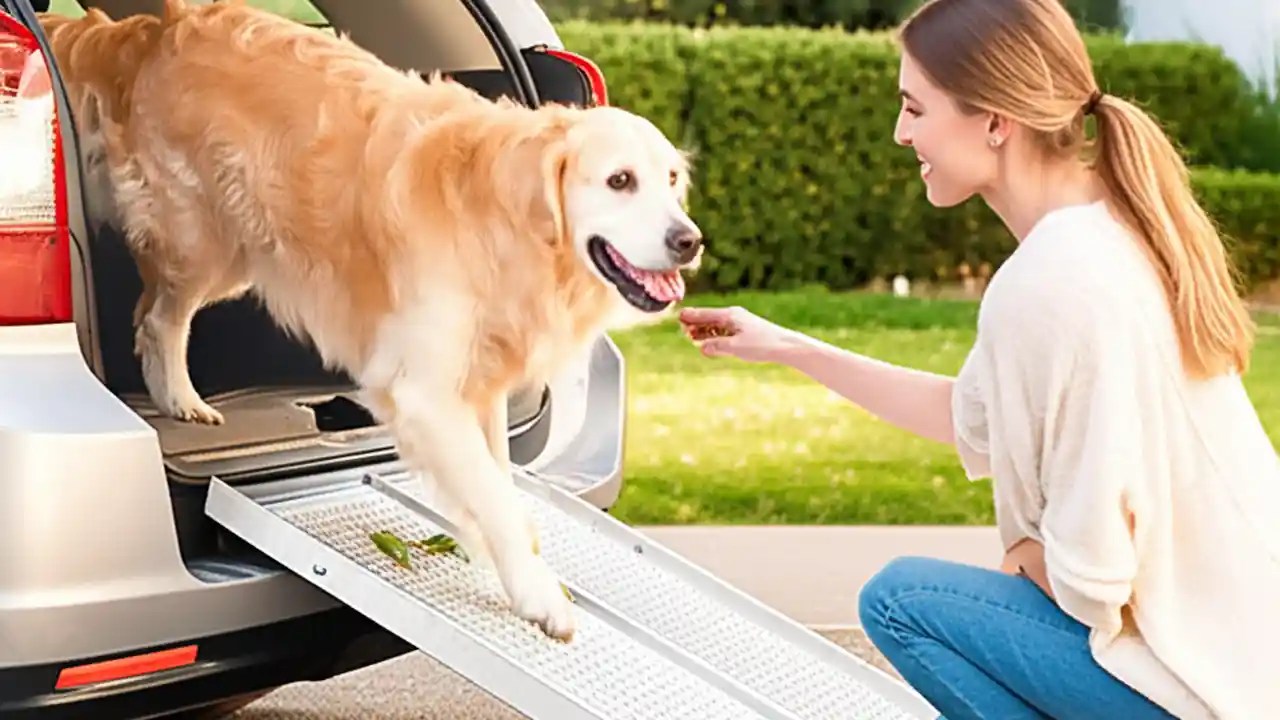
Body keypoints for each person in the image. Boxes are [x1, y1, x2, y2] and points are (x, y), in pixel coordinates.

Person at [678, 0, 1280, 718]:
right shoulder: (1114, 235)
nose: (901, 134)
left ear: (995, 121)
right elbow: (972, 417)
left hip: (1201, 692)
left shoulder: (1051, 279)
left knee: (904, 601)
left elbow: (1090, 580)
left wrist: (1024, 561)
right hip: (1242, 670)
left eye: (914, 108)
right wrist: (789, 347)